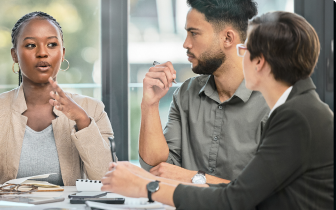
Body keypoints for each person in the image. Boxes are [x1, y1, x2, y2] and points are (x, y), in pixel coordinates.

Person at [102, 11, 333, 209]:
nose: (240, 60)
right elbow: (248, 193)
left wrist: (146, 187)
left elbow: (235, 199)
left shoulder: (297, 116)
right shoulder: (301, 108)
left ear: (259, 62)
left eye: (244, 51)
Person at [0, 11, 113, 186]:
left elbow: (105, 179)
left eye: (51, 44)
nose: (42, 53)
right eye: (31, 45)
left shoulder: (91, 108)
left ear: (62, 54)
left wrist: (82, 120)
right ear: (14, 55)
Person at [137, 0, 267, 184]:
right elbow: (158, 169)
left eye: (194, 33)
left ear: (228, 38)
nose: (186, 44)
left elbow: (268, 193)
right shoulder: (186, 94)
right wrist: (150, 104)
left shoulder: (272, 101)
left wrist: (194, 178)